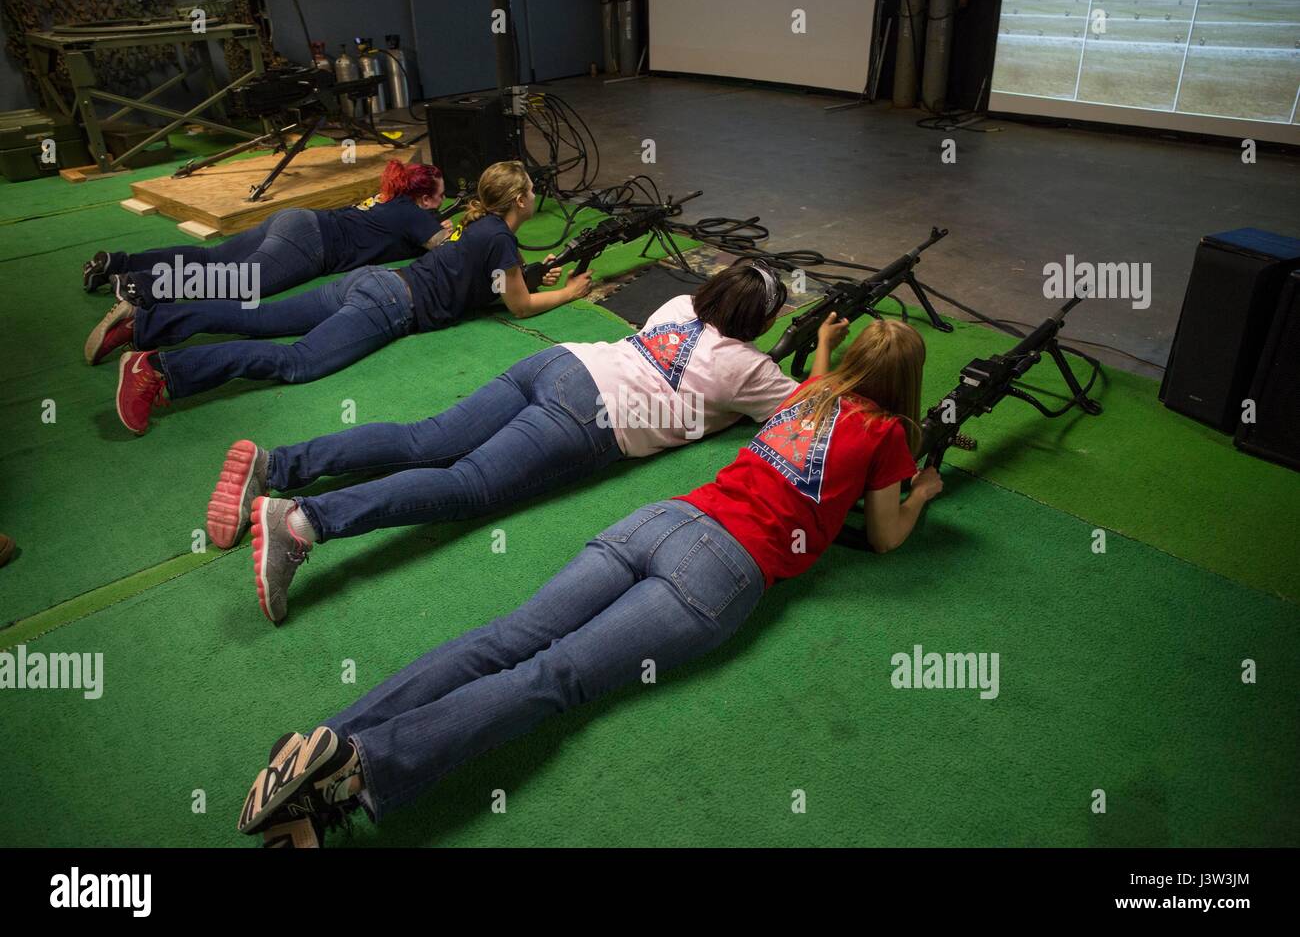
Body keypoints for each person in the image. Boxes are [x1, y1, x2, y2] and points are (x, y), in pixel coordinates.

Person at [233, 317, 942, 847]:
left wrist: (827, 342)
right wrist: (922, 492)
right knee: (555, 678)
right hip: (720, 568)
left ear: (845, 364)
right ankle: (361, 768)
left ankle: (329, 741)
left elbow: (828, 384)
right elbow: (883, 537)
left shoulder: (808, 395)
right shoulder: (886, 438)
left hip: (662, 519)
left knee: (504, 638)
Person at [211, 257, 839, 626]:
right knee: (464, 486)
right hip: (590, 417)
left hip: (558, 364)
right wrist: (827, 351)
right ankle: (303, 523)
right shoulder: (751, 372)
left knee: (426, 437)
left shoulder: (677, 304)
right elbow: (808, 411)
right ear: (759, 321)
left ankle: (279, 465)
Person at [109, 161, 590, 435]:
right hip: (391, 305)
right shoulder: (499, 240)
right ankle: (157, 370)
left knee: (260, 314)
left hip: (368, 281)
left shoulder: (482, 228)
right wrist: (570, 292)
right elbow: (520, 306)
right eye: (530, 190)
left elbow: (485, 283)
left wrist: (528, 274)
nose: (533, 196)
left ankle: (149, 321)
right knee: (296, 362)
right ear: (521, 200)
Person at [83, 160, 450, 365]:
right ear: (425, 198)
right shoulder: (415, 214)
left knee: (213, 258)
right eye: (441, 194)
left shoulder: (391, 200)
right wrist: (449, 228)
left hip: (296, 220)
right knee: (239, 283)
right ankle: (141, 288)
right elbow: (448, 249)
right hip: (309, 244)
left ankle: (120, 264)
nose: (443, 198)